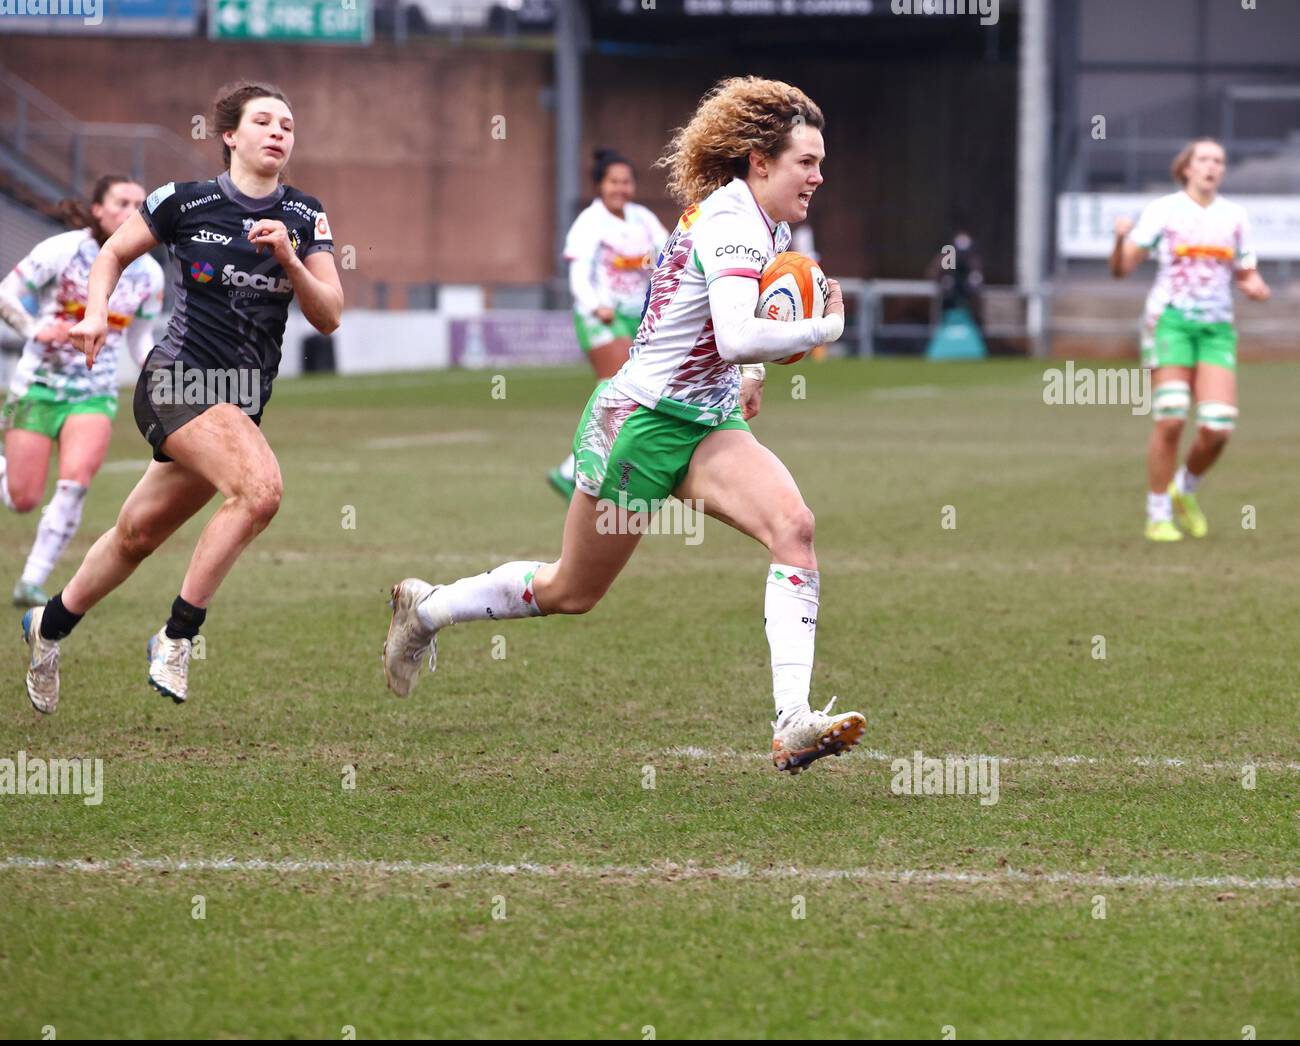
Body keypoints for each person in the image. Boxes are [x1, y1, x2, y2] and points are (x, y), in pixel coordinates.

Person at [386, 76, 865, 775]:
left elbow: (725, 332)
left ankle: (792, 721)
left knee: (794, 527)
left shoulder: (767, 224)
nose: (819, 176)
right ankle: (426, 610)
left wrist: (753, 377)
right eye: (807, 162)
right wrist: (827, 326)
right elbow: (735, 333)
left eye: (820, 163)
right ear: (761, 161)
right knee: (570, 591)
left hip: (705, 421)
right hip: (640, 425)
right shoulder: (733, 224)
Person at [20, 80, 343, 714]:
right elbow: (112, 251)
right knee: (260, 490)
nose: (280, 132)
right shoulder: (183, 201)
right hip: (176, 380)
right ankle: (177, 636)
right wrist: (92, 313)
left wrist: (291, 259)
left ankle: (47, 625)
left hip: (238, 404)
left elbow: (329, 315)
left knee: (136, 536)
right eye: (265, 122)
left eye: (289, 125)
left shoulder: (305, 217)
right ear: (229, 136)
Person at [0, 175, 163, 608]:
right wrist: (35, 329)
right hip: (38, 386)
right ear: (97, 209)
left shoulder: (149, 273)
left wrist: (160, 368)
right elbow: (6, 294)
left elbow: (138, 341)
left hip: (94, 391)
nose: (132, 210)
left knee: (74, 484)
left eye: (140, 203)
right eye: (122, 201)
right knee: (23, 498)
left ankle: (32, 582)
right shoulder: (64, 250)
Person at [1110, 137, 1269, 542]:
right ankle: (1157, 512)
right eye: (1204, 159)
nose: (1212, 166)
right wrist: (1118, 240)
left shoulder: (1235, 216)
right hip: (1171, 322)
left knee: (1218, 428)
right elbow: (1122, 268)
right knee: (1173, 416)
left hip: (1216, 328)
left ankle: (1186, 487)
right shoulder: (1163, 210)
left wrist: (1255, 286)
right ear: (1187, 168)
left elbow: (1246, 271)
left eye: (1219, 160)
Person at [548, 147, 669, 499]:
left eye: (627, 182)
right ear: (600, 185)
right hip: (602, 316)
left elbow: (668, 256)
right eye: (614, 182)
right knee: (619, 391)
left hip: (638, 318)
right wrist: (595, 305)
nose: (621, 188)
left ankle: (576, 470)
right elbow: (578, 274)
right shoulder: (591, 222)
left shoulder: (643, 218)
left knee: (626, 396)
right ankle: (575, 472)